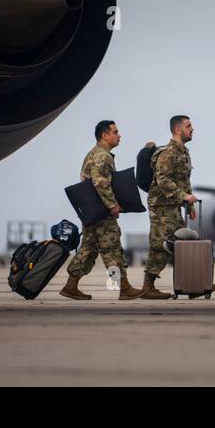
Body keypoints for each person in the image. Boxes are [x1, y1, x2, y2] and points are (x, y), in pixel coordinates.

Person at [61, 121, 143, 300]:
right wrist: (112, 204)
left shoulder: (94, 153)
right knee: (112, 251)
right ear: (105, 135)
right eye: (115, 132)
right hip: (102, 213)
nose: (119, 135)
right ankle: (123, 287)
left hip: (93, 212)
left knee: (88, 250)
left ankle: (70, 285)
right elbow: (100, 182)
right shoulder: (102, 156)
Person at [140, 115, 213, 300]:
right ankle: (148, 288)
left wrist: (189, 205)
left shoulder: (183, 152)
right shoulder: (168, 153)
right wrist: (183, 196)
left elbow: (184, 181)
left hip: (174, 206)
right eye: (189, 126)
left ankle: (193, 285)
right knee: (162, 245)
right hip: (161, 207)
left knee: (182, 246)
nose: (192, 129)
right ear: (178, 130)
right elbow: (162, 180)